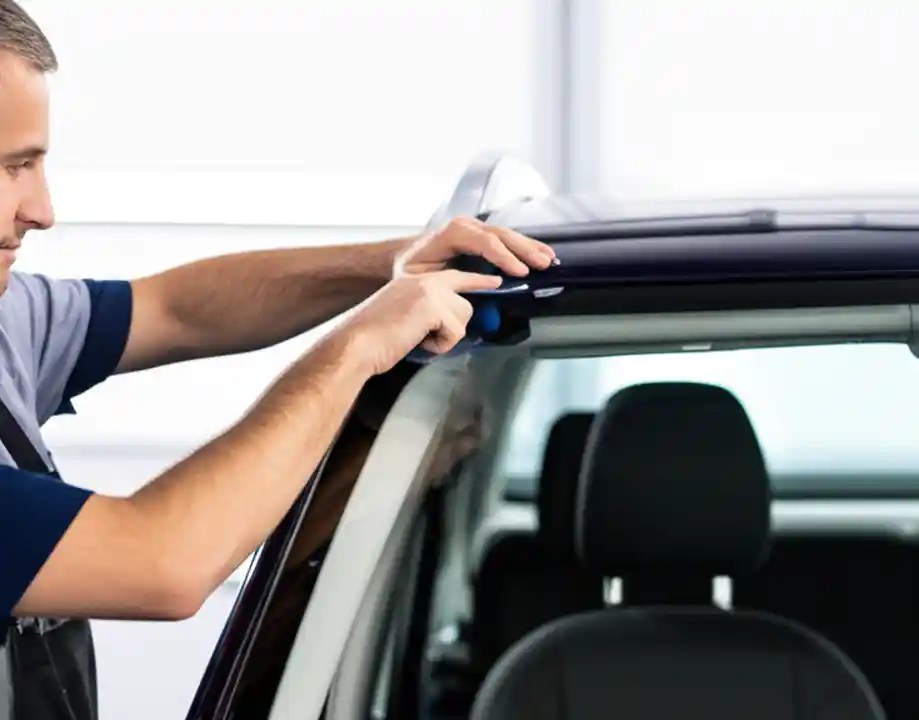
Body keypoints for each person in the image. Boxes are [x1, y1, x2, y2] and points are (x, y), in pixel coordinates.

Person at [0, 2, 555, 717]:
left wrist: (391, 264)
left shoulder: (9, 318)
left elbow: (176, 309)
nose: (44, 208)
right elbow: (162, 562)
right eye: (13, 166)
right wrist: (357, 348)